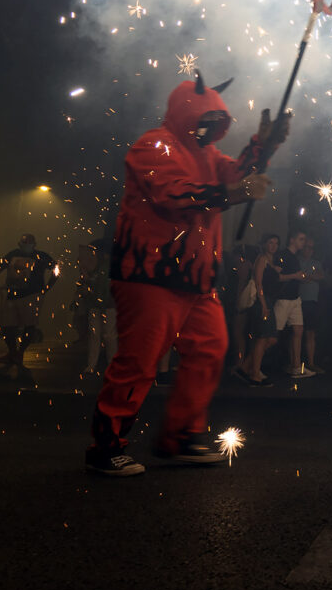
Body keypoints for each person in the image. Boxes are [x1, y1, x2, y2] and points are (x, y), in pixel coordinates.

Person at [87, 72, 284, 477]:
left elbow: (235, 174)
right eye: (206, 119)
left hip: (196, 280)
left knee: (211, 349)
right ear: (186, 113)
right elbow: (172, 194)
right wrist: (237, 193)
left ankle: (180, 436)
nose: (212, 128)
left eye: (217, 121)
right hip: (149, 276)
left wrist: (265, 144)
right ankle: (106, 447)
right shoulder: (153, 144)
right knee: (139, 362)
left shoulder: (207, 154)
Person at [0, 233, 58, 379]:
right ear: (19, 243)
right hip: (12, 295)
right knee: (6, 325)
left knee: (29, 324)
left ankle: (19, 353)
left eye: (29, 242)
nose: (26, 245)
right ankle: (13, 352)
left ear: (34, 244)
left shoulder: (42, 256)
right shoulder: (13, 254)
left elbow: (56, 269)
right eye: (24, 242)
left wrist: (47, 288)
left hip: (32, 295)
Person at [234, 234, 282, 386]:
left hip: (268, 300)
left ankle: (246, 367)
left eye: (276, 243)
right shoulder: (262, 259)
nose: (273, 246)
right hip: (262, 300)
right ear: (265, 244)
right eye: (270, 242)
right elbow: (259, 283)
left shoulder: (271, 261)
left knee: (270, 338)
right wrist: (262, 304)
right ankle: (254, 373)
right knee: (263, 337)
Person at [273, 231, 313, 379]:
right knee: (270, 336)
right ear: (292, 240)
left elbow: (294, 276)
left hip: (295, 299)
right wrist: (295, 276)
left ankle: (296, 367)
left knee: (298, 331)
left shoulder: (295, 258)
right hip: (283, 300)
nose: (303, 242)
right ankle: (249, 365)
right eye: (301, 239)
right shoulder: (283, 255)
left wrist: (302, 278)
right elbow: (276, 277)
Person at [73, 241, 116, 376]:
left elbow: (105, 286)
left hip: (108, 305)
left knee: (108, 336)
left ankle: (109, 365)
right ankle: (92, 365)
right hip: (96, 305)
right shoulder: (94, 267)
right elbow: (90, 284)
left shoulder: (108, 267)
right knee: (96, 336)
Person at [297, 236, 324, 375]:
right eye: (307, 247)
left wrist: (309, 276)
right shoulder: (297, 261)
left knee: (311, 333)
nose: (309, 250)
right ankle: (295, 363)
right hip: (299, 302)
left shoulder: (316, 262)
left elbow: (320, 276)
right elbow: (300, 278)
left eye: (311, 248)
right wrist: (309, 276)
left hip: (312, 302)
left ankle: (311, 363)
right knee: (296, 333)